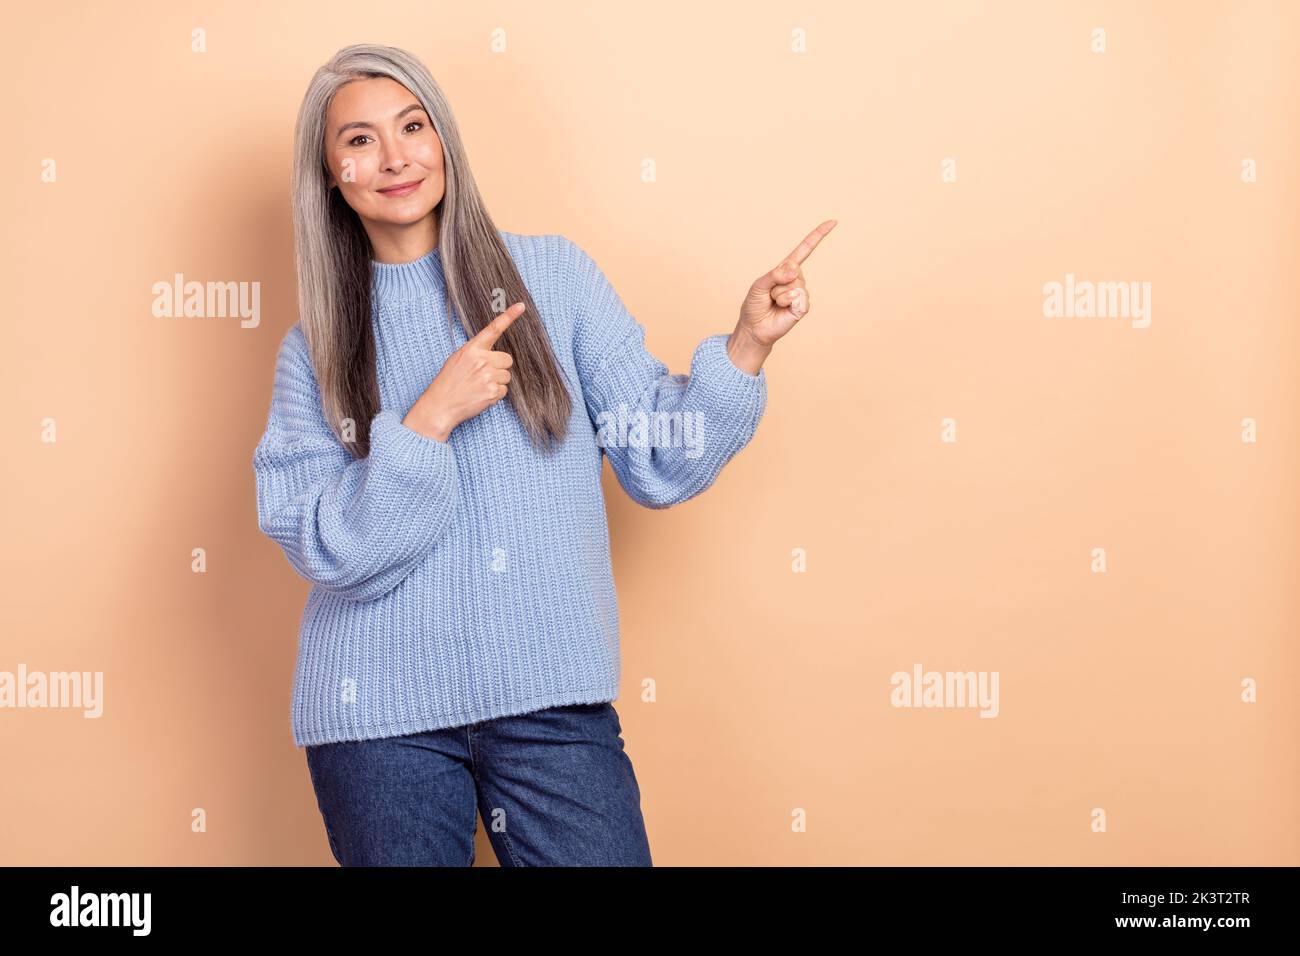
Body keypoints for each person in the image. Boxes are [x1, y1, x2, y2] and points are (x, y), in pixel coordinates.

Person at [252, 42, 834, 866]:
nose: (394, 157)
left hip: (551, 702)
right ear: (329, 177)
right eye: (358, 140)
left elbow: (657, 457)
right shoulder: (312, 350)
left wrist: (745, 348)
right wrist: (426, 424)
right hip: (376, 719)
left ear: (444, 140)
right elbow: (326, 548)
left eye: (412, 126)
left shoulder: (552, 278)